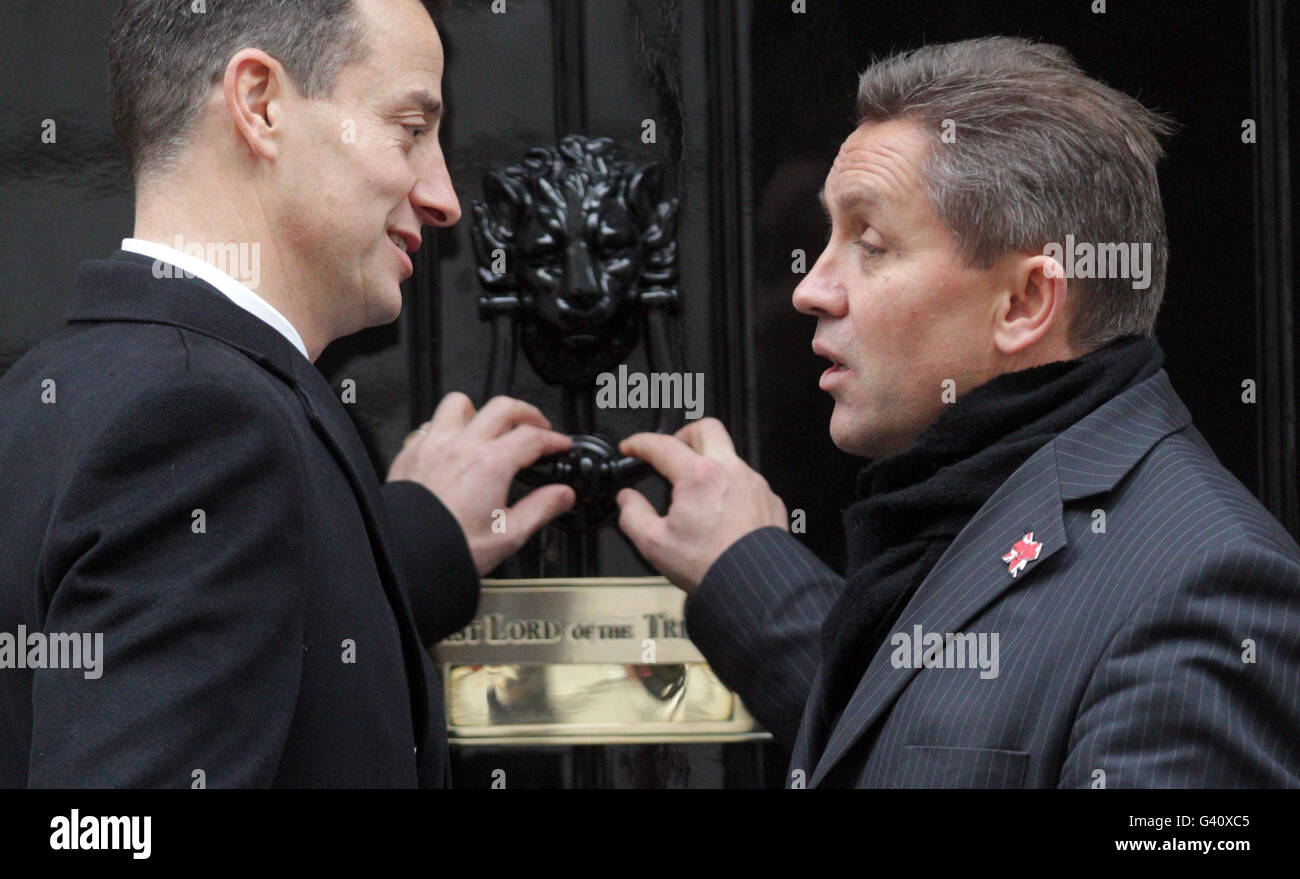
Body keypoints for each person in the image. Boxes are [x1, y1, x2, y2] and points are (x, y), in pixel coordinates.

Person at [616, 36, 1300, 788]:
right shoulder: (974, 494)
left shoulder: (1208, 589)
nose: (811, 288)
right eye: (826, 239)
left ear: (1025, 301)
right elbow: (927, 727)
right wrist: (745, 566)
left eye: (870, 244)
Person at [0, 0, 575, 787]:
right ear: (261, 104)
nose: (444, 196)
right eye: (410, 130)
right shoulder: (206, 425)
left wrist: (416, 540)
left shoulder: (42, 398)